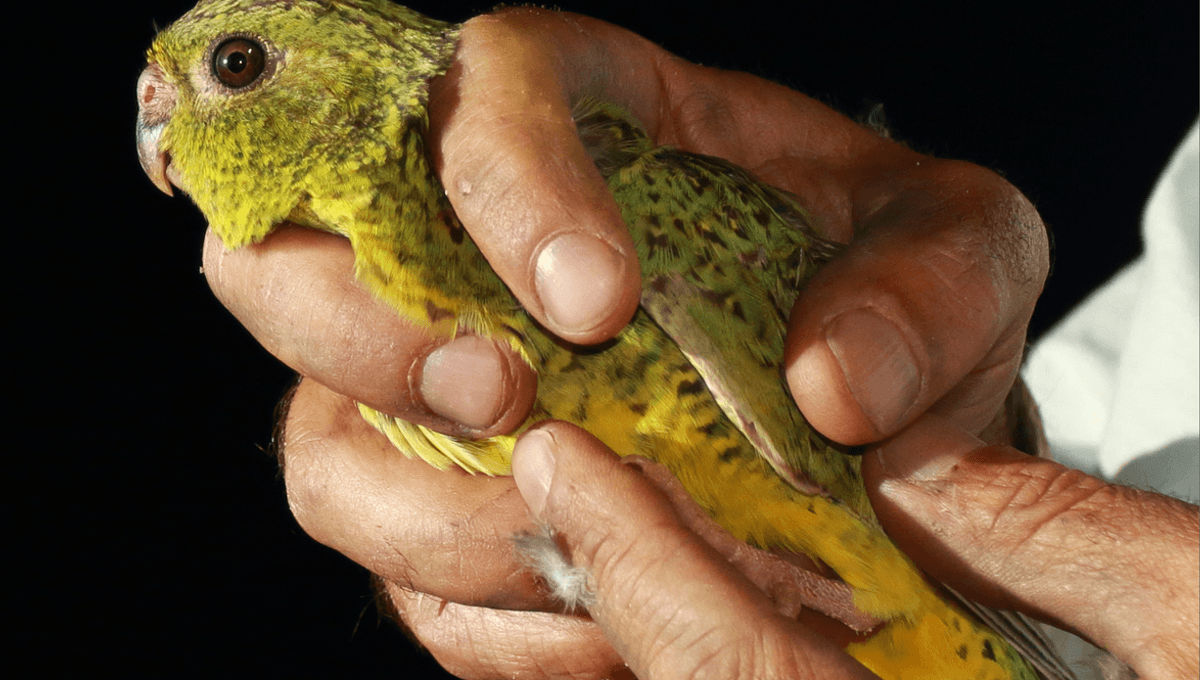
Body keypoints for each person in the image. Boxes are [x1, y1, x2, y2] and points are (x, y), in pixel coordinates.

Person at [200, 9, 1199, 680]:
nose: (157, 113)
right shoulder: (401, 364)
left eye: (233, 67)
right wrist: (992, 422)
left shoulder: (643, 213)